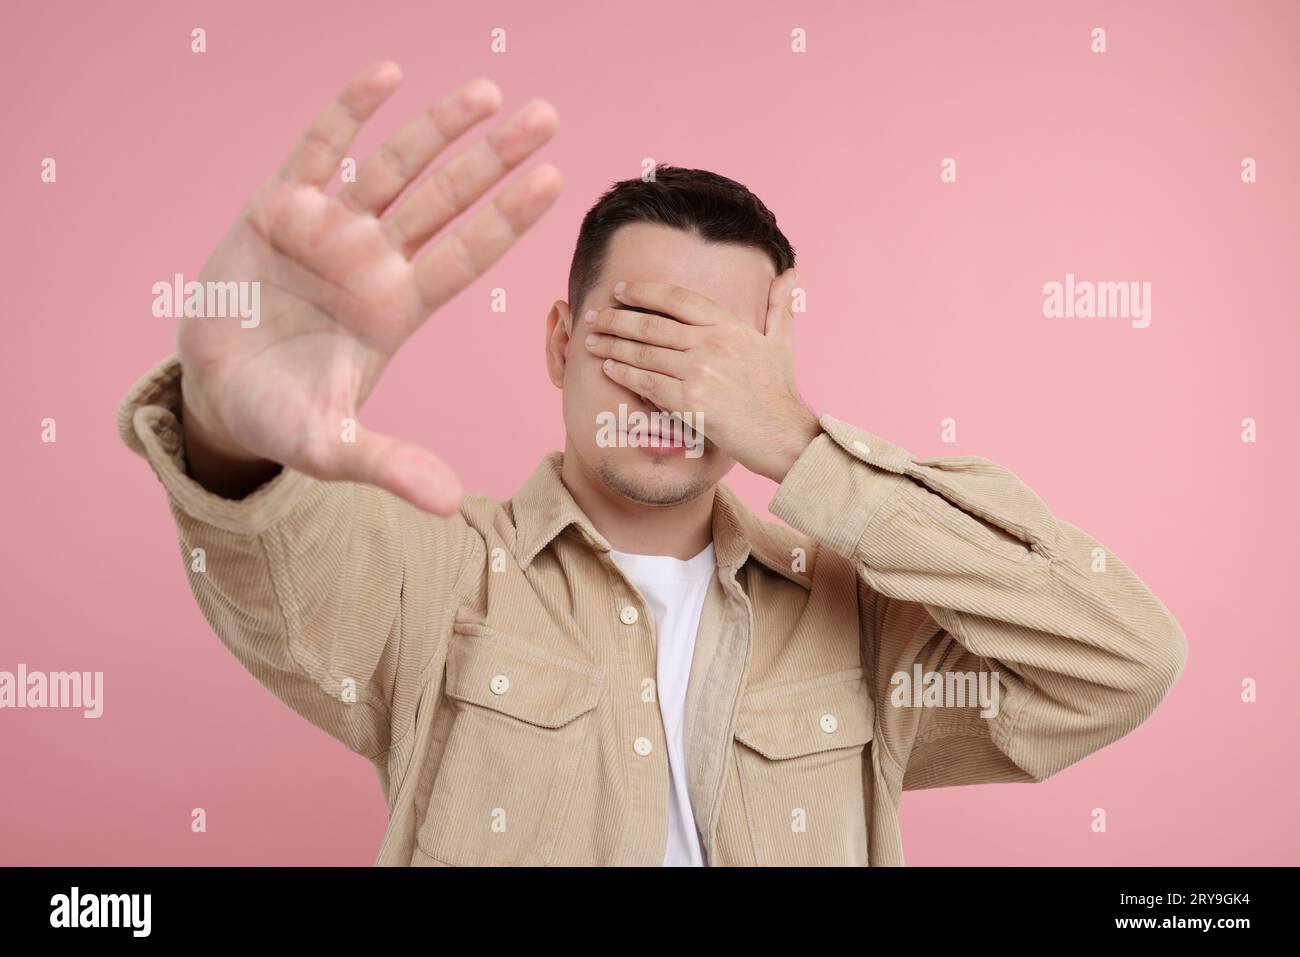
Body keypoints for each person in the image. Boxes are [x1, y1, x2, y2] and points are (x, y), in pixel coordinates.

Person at [117, 61, 1187, 866]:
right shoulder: (438, 580)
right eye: (635, 339)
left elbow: (1118, 660)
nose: (672, 391)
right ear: (556, 343)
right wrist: (229, 422)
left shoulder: (861, 619)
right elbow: (279, 565)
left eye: (712, 355)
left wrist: (801, 445)